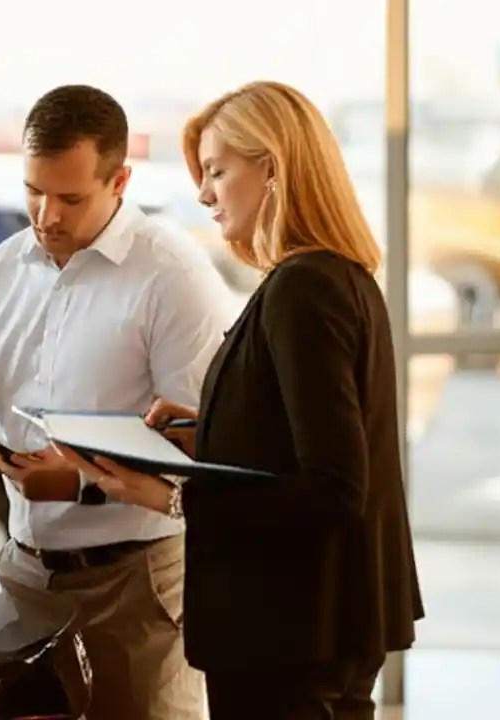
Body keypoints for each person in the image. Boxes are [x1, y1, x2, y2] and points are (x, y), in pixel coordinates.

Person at [55, 80, 424, 719]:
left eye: (218, 171)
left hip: (287, 632)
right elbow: (304, 435)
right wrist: (206, 430)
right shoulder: (341, 279)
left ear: (273, 169)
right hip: (318, 624)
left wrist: (169, 494)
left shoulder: (303, 290)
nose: (203, 194)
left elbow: (335, 486)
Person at [0, 84, 235, 719]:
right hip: (23, 578)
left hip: (139, 583)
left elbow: (204, 447)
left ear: (120, 181)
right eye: (33, 191)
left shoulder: (172, 274)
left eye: (70, 198)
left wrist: (81, 483)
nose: (47, 216)